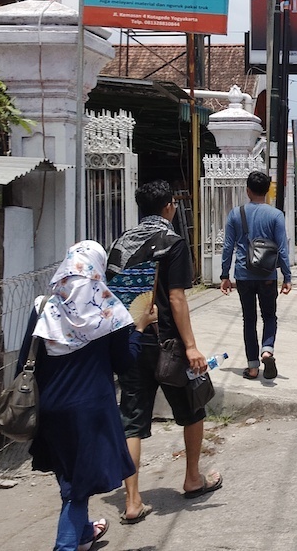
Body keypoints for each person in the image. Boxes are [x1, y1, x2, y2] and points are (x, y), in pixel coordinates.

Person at [21, 240, 148, 551]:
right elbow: (125, 363)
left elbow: (25, 361)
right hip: (91, 412)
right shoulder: (109, 309)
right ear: (97, 270)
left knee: (70, 478)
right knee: (78, 490)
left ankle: (83, 534)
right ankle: (66, 545)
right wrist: (140, 329)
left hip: (51, 410)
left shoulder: (43, 308)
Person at [107, 180, 222, 524]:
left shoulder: (119, 244)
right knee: (193, 408)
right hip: (167, 344)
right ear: (170, 206)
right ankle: (192, 478)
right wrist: (191, 346)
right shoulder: (171, 242)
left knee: (132, 421)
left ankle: (131, 501)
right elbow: (176, 298)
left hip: (129, 339)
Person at [219, 171, 292, 381]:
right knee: (269, 315)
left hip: (243, 274)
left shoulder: (235, 214)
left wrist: (225, 275)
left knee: (248, 319)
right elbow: (283, 249)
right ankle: (267, 350)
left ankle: (252, 367)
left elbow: (227, 247)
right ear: (267, 190)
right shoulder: (276, 215)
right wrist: (287, 276)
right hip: (267, 274)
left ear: (248, 190)